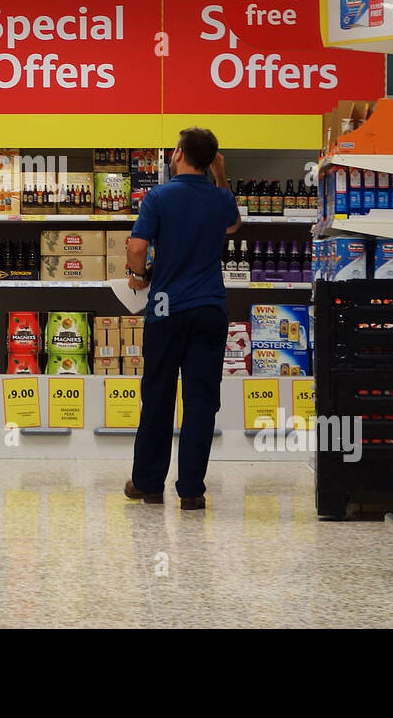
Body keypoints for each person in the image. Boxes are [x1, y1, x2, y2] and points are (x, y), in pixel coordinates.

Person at [123, 127, 241, 510]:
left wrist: (138, 276)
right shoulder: (219, 198)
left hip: (165, 309)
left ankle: (148, 483)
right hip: (209, 309)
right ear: (211, 160)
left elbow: (138, 246)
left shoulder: (159, 196)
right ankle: (191, 490)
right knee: (202, 400)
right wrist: (220, 174)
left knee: (157, 395)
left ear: (177, 154)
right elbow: (233, 223)